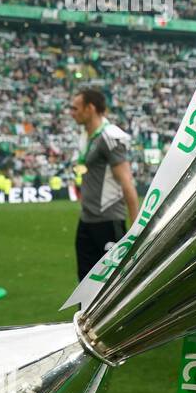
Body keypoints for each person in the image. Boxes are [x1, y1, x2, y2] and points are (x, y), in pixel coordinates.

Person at [69, 86, 140, 280]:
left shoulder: (110, 137)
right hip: (86, 220)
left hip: (108, 220)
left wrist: (136, 228)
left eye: (75, 108)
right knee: (84, 281)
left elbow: (126, 181)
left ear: (90, 108)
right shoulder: (86, 136)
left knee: (113, 282)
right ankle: (86, 312)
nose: (71, 113)